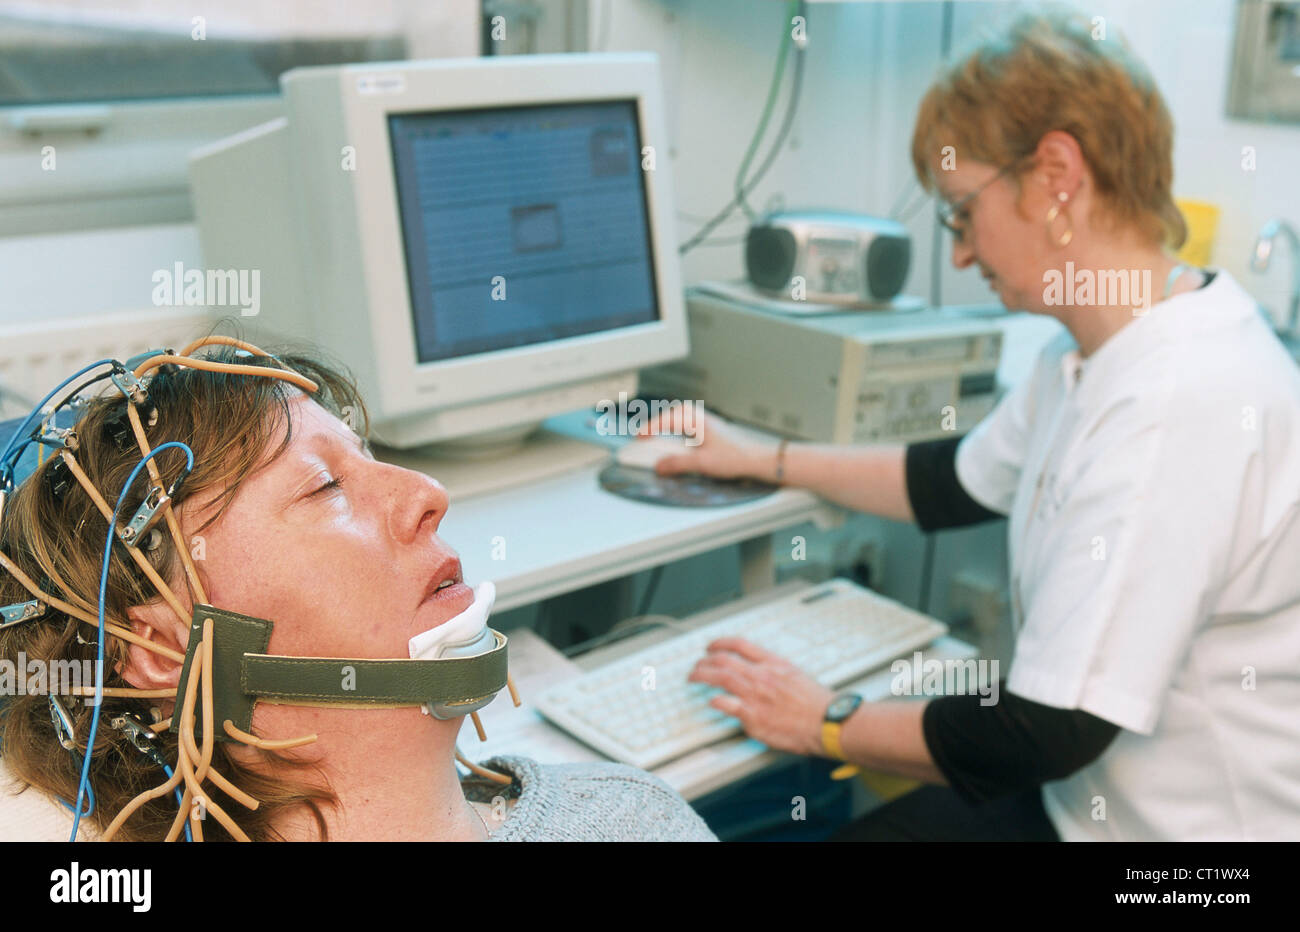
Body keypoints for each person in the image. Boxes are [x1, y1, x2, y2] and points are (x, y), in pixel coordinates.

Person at [647, 10, 1300, 841]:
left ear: (1056, 174)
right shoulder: (1101, 350)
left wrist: (825, 720)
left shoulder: (1179, 402)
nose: (957, 252)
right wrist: (762, 456)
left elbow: (1039, 731)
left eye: (961, 211)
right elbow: (951, 481)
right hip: (1084, 807)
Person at [0, 344, 716, 842]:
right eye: (326, 487)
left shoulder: (629, 819)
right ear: (161, 647)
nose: (428, 494)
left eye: (371, 459)